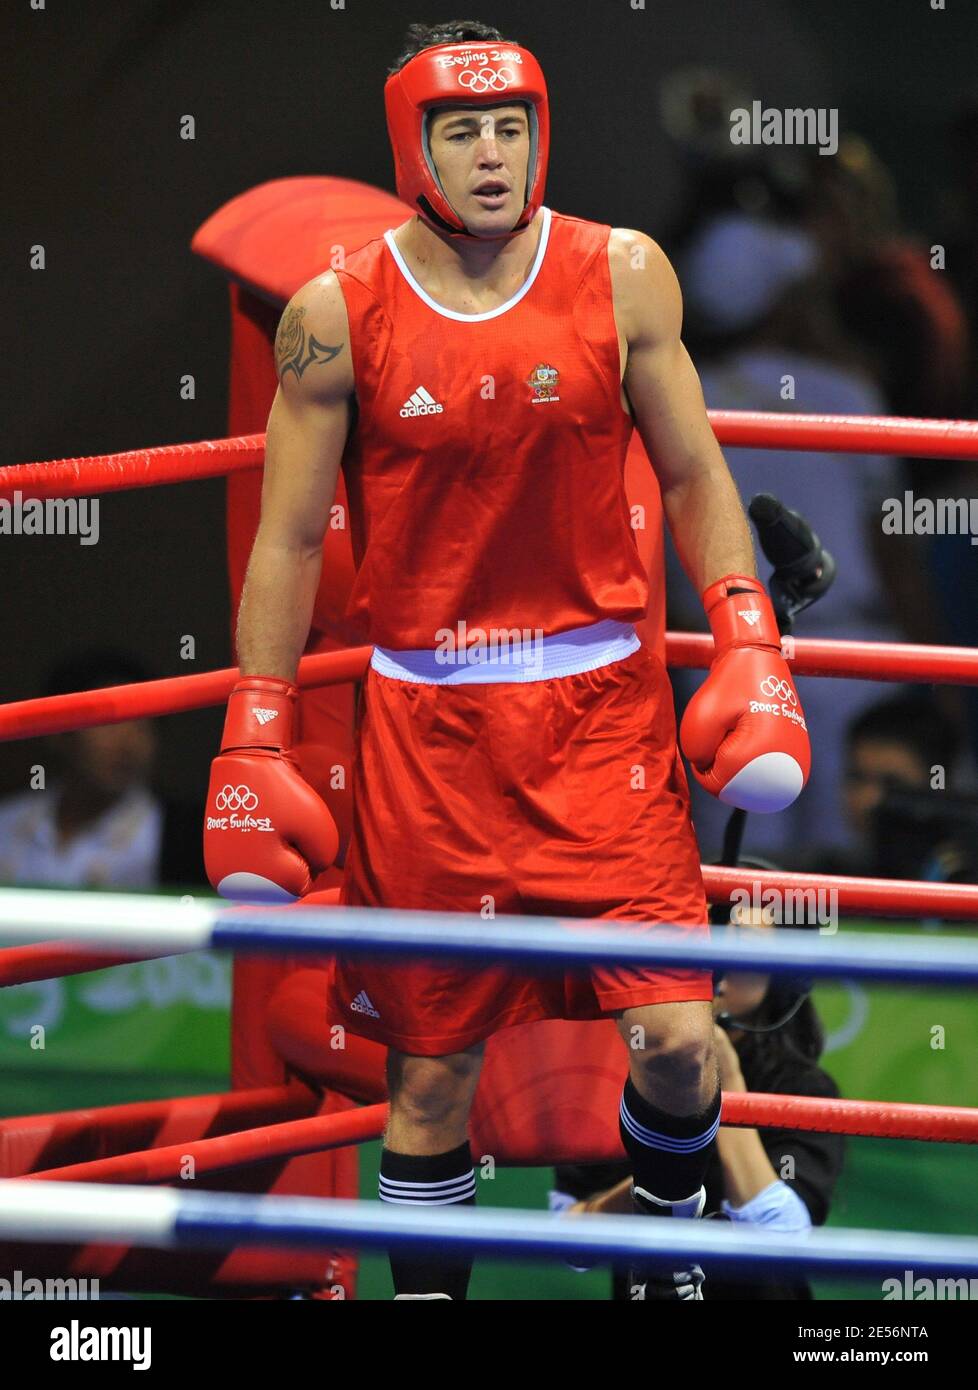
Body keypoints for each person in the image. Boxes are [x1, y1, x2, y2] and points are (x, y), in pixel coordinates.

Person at [203, 19, 811, 1301]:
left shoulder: (624, 274)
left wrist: (747, 631)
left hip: (604, 722)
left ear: (541, 130)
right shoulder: (336, 315)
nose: (492, 155)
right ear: (411, 142)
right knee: (428, 1077)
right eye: (462, 130)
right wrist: (254, 728)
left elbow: (698, 469)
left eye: (511, 126)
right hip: (432, 737)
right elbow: (291, 537)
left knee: (681, 1046)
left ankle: (662, 1264)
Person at [550, 856, 845, 1300]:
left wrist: (723, 1080)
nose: (712, 964)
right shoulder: (615, 1071)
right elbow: (569, 1246)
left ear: (781, 976)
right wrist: (666, 1173)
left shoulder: (804, 1087)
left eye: (739, 947)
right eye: (701, 936)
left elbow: (784, 1238)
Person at [0, 650, 205, 890]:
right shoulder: (8, 823)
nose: (128, 743)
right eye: (110, 722)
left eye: (143, 724)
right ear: (58, 732)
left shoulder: (186, 839)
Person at [806, 692, 976, 886]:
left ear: (938, 785)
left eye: (893, 784)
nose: (868, 799)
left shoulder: (965, 878)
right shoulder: (823, 879)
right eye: (856, 778)